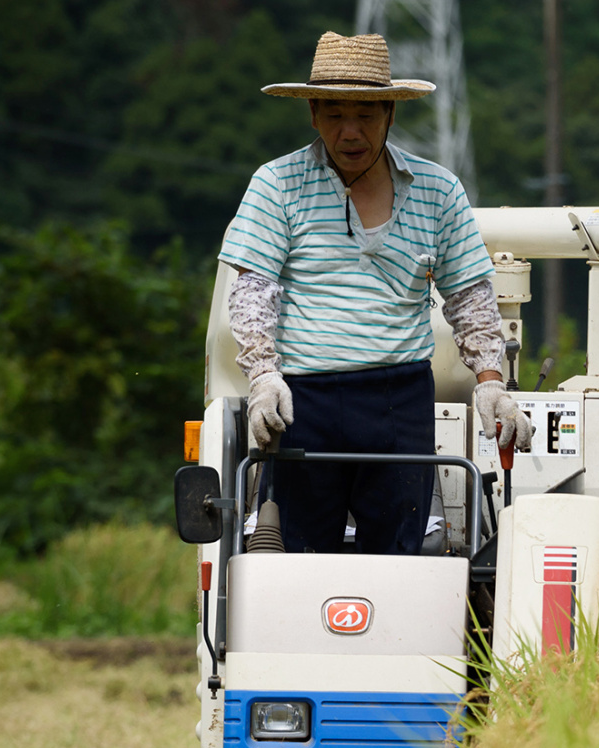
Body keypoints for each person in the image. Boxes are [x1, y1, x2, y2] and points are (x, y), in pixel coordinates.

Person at [218, 31, 531, 555]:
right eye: (336, 114)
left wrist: (491, 383)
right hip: (305, 399)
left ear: (390, 114)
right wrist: (264, 375)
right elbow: (252, 291)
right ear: (313, 114)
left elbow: (471, 296)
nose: (350, 130)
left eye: (365, 114)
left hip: (399, 399)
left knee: (400, 555)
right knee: (297, 554)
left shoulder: (439, 190)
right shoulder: (277, 184)